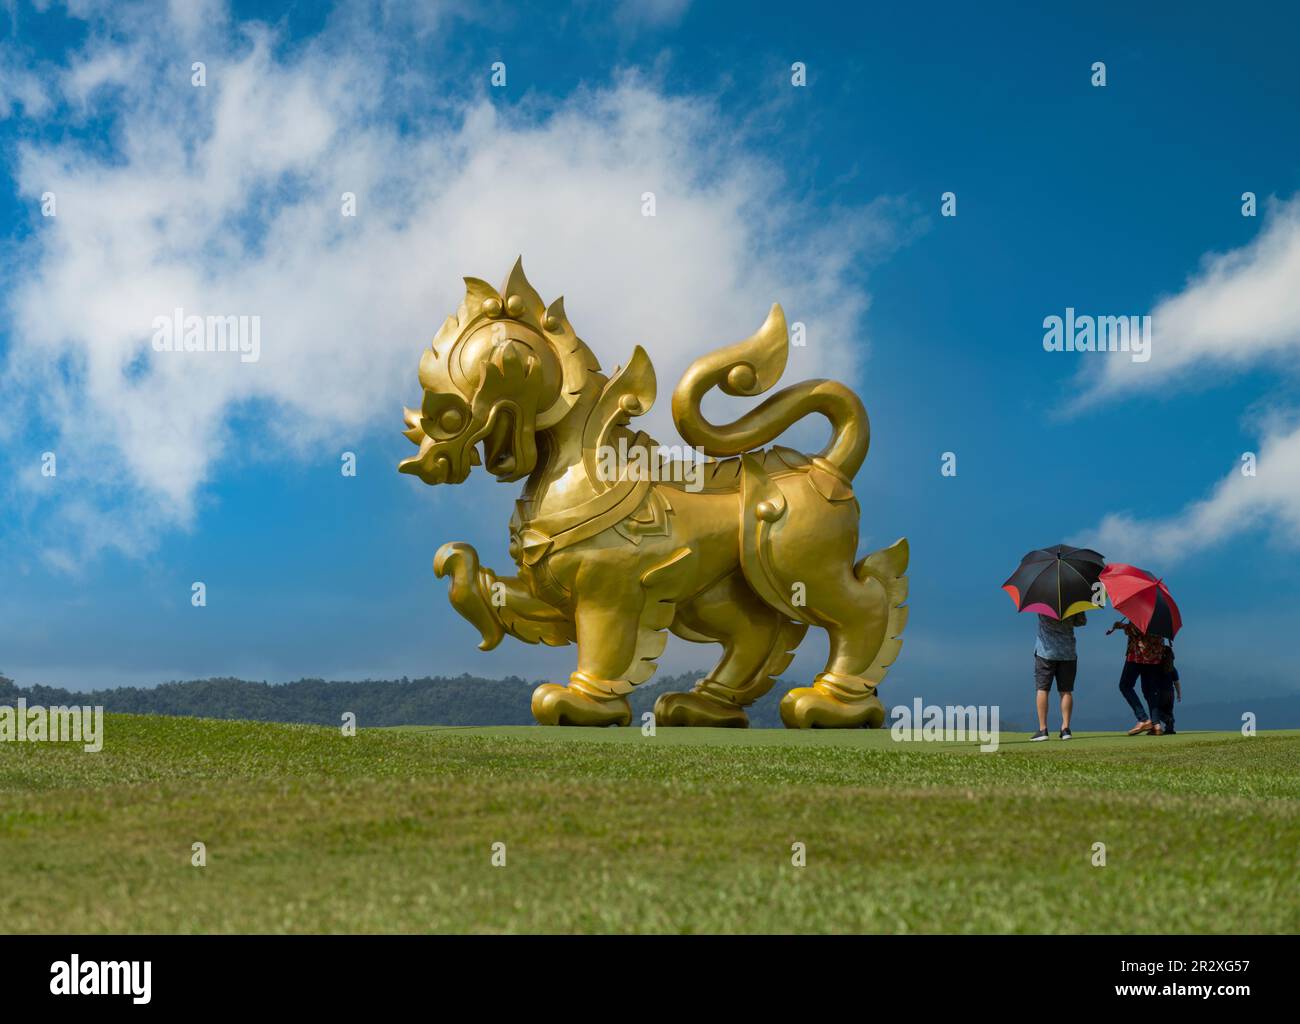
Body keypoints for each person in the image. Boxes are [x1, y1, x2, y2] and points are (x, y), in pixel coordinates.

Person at [1107, 619, 1173, 735]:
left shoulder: (1142, 612)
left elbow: (1137, 630)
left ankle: (1143, 719)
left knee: (1125, 685)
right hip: (1154, 657)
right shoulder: (1159, 615)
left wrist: (1121, 626)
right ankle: (1156, 724)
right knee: (1150, 691)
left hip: (1138, 656)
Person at [1032, 611, 1086, 741]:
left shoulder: (1043, 599)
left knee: (1042, 689)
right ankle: (1066, 728)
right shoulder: (1073, 601)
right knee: (1066, 690)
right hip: (1068, 652)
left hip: (1045, 652)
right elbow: (1081, 622)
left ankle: (1043, 729)